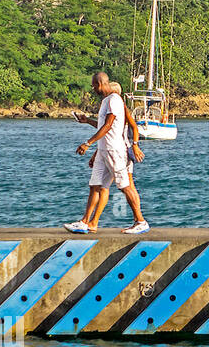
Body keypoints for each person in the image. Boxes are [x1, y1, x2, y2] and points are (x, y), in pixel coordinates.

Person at [64, 72, 149, 234]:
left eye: (94, 86)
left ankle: (140, 221)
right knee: (95, 185)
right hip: (103, 150)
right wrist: (87, 121)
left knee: (125, 185)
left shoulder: (115, 100)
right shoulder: (106, 101)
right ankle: (85, 222)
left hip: (114, 150)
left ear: (100, 83)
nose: (93, 89)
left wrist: (88, 143)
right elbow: (103, 125)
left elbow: (109, 126)